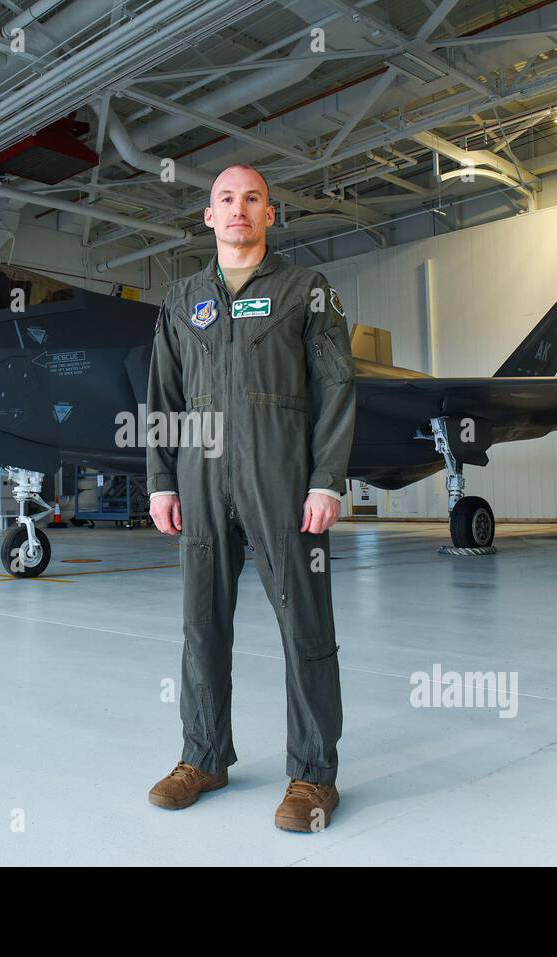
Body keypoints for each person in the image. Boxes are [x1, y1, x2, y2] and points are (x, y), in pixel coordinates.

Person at [144, 164, 357, 832]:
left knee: (305, 625)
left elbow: (337, 387)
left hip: (283, 479)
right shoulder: (182, 299)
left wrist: (327, 478)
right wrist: (160, 480)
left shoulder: (305, 290)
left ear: (270, 215)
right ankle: (202, 755)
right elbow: (164, 397)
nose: (239, 208)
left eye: (253, 199)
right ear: (209, 216)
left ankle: (314, 775)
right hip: (202, 480)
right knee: (201, 622)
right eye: (226, 199)